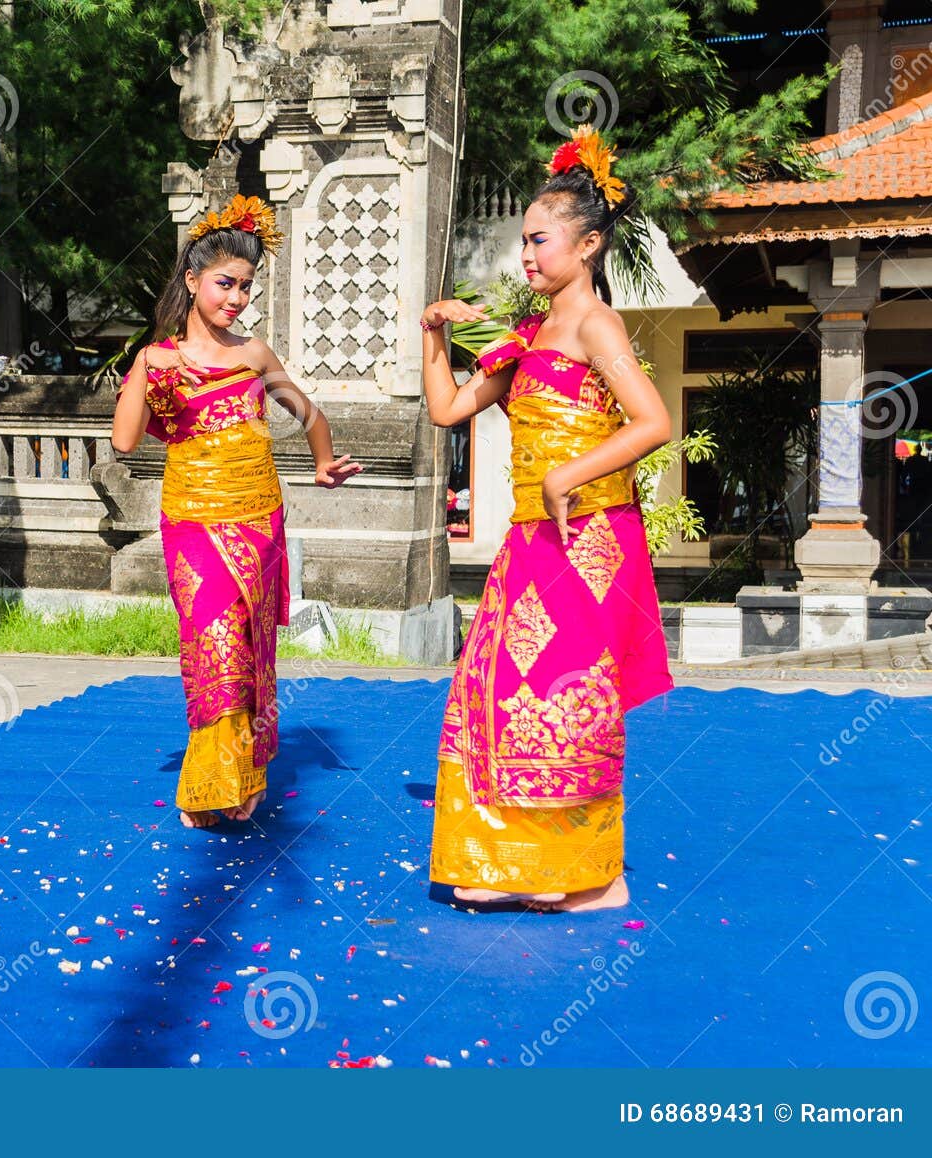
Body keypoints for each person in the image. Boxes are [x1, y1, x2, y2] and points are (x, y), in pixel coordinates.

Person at [420, 126, 673, 913]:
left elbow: (652, 421)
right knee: (491, 691)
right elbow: (449, 408)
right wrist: (436, 340)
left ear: (589, 243)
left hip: (591, 539)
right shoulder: (524, 335)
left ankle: (594, 875)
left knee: (564, 695)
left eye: (539, 240)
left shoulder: (597, 326)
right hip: (530, 540)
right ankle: (514, 865)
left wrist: (571, 469)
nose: (526, 256)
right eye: (523, 242)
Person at [112, 194, 362, 830]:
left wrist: (324, 461)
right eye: (225, 283)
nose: (236, 298)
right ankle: (210, 782)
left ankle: (243, 777)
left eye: (246, 287)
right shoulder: (157, 360)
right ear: (192, 280)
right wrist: (145, 369)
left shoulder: (253, 354)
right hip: (193, 519)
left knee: (250, 648)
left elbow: (308, 413)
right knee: (213, 642)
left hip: (257, 517)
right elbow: (123, 441)